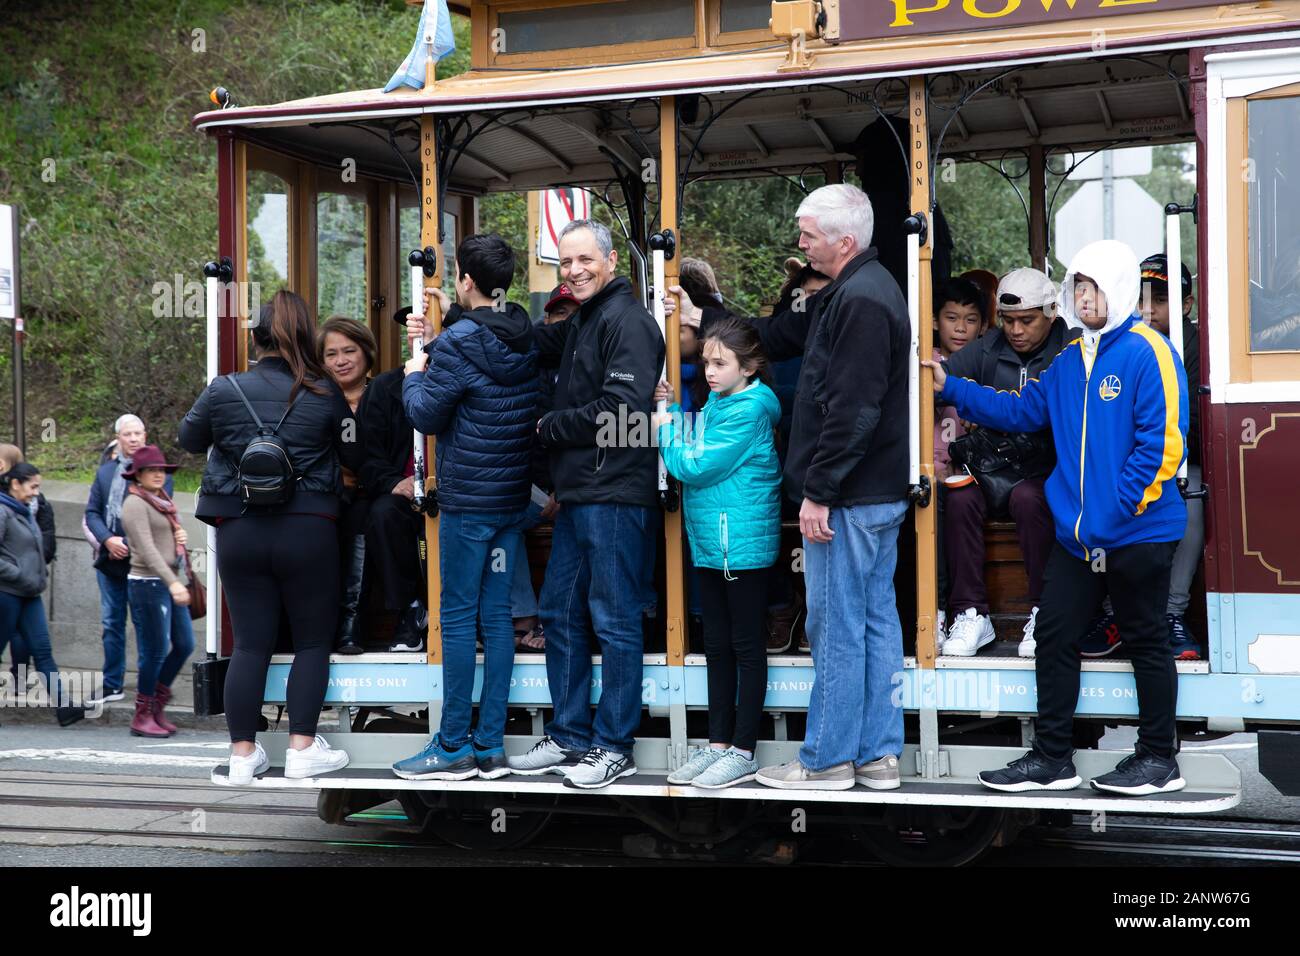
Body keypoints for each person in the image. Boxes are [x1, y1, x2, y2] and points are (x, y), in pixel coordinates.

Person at [926, 239, 1190, 796]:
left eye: (1093, 286)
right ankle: (1052, 758)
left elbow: (1161, 450)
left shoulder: (1149, 351)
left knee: (1145, 640)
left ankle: (1159, 759)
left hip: (1138, 530)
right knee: (1053, 634)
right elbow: (1020, 411)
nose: (1084, 297)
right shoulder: (1070, 361)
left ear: (1116, 289)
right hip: (1080, 536)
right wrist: (951, 387)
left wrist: (1109, 514)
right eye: (1078, 287)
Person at [671, 184, 912, 792]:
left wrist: (820, 489)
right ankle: (879, 757)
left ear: (844, 240)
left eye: (809, 234)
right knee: (875, 624)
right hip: (872, 492)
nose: (800, 244)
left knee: (835, 626)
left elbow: (852, 409)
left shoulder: (858, 301)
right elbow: (778, 337)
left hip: (849, 497)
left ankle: (827, 760)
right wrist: (706, 321)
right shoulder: (859, 290)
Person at [505, 219, 665, 789]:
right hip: (582, 494)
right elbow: (534, 341)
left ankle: (613, 745)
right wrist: (464, 315)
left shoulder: (630, 322)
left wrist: (551, 426)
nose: (573, 271)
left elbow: (623, 413)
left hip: (616, 494)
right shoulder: (587, 318)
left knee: (615, 620)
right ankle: (570, 735)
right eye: (565, 263)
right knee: (559, 613)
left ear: (612, 260)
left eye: (583, 261)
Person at [180, 289, 362, 785]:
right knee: (310, 643)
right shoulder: (325, 394)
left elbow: (188, 439)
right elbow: (354, 456)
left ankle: (243, 755)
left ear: (255, 338)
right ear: (305, 336)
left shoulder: (222, 389)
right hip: (309, 530)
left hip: (240, 531)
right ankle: (303, 746)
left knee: (250, 645)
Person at [390, 235, 539, 782]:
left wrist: (413, 373)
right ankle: (490, 745)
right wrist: (436, 338)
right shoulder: (523, 333)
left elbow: (427, 415)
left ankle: (452, 745)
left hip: (468, 505)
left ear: (466, 279)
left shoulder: (458, 345)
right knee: (497, 618)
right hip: (508, 503)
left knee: (456, 619)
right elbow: (478, 352)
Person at [656, 318, 781, 789]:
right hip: (715, 545)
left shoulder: (747, 410)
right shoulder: (719, 402)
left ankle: (743, 749)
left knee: (745, 648)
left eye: (720, 363)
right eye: (706, 361)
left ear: (748, 368)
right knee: (716, 646)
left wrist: (665, 427)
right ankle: (717, 745)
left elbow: (695, 464)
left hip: (738, 546)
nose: (709, 371)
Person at [939, 268, 1074, 659]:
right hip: (989, 467)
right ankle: (970, 612)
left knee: (1032, 499)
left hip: (1045, 468)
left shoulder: (1070, 347)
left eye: (1027, 320)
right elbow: (940, 378)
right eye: (1008, 320)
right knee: (959, 496)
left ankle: (1042, 610)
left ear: (1051, 313)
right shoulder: (987, 347)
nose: (1016, 330)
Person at [1137, 254, 1202, 660]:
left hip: (1181, 461)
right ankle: (1113, 614)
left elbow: (1193, 423)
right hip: (1134, 461)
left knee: (1192, 499)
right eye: (1141, 298)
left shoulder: (1196, 346)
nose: (1148, 309)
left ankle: (1172, 613)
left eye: (1159, 299)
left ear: (1185, 305)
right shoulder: (1125, 341)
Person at [85, 414, 172, 704]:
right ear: (118, 438)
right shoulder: (105, 472)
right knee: (112, 622)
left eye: (138, 433)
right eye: (128, 434)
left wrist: (128, 542)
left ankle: (150, 688)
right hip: (110, 560)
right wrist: (107, 539)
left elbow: (159, 514)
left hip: (144, 565)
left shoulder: (159, 474)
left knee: (147, 628)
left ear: (145, 436)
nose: (134, 439)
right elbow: (92, 513)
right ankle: (112, 684)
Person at [357, 308, 429, 653]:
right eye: (413, 329)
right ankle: (409, 611)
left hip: (457, 490)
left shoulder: (464, 380)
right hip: (403, 493)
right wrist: (392, 482)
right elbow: (368, 456)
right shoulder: (385, 388)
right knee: (383, 515)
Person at [510, 283, 575, 652]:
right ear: (546, 320)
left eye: (574, 316)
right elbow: (522, 438)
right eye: (559, 315)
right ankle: (523, 616)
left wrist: (564, 490)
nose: (565, 322)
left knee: (583, 524)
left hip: (578, 487)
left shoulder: (594, 366)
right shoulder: (525, 369)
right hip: (532, 488)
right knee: (500, 517)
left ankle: (558, 622)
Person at [929, 278, 989, 649]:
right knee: (930, 497)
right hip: (932, 470)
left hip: (979, 474)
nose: (961, 328)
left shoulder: (986, 361)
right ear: (935, 321)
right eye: (952, 318)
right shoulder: (926, 362)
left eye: (970, 319)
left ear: (983, 325)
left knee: (960, 497)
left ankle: (967, 614)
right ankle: (931, 613)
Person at [0, 463, 85, 726]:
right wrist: (19, 575)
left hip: (29, 593)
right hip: (8, 593)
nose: (37, 492)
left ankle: (64, 707)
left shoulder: (23, 511)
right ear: (16, 484)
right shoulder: (3, 511)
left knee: (43, 651)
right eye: (33, 486)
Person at [119, 445, 194, 738]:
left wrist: (179, 538)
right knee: (154, 651)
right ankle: (143, 713)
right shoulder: (135, 504)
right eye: (152, 470)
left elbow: (161, 542)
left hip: (166, 581)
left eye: (161, 470)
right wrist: (173, 582)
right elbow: (147, 551)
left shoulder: (160, 500)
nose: (158, 474)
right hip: (148, 583)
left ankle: (157, 704)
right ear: (137, 475)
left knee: (185, 644)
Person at [318, 316, 378, 654]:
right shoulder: (316, 400)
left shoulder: (386, 394)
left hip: (373, 496)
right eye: (331, 354)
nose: (340, 361)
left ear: (366, 352)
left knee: (366, 515)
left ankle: (351, 624)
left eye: (349, 351)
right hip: (328, 494)